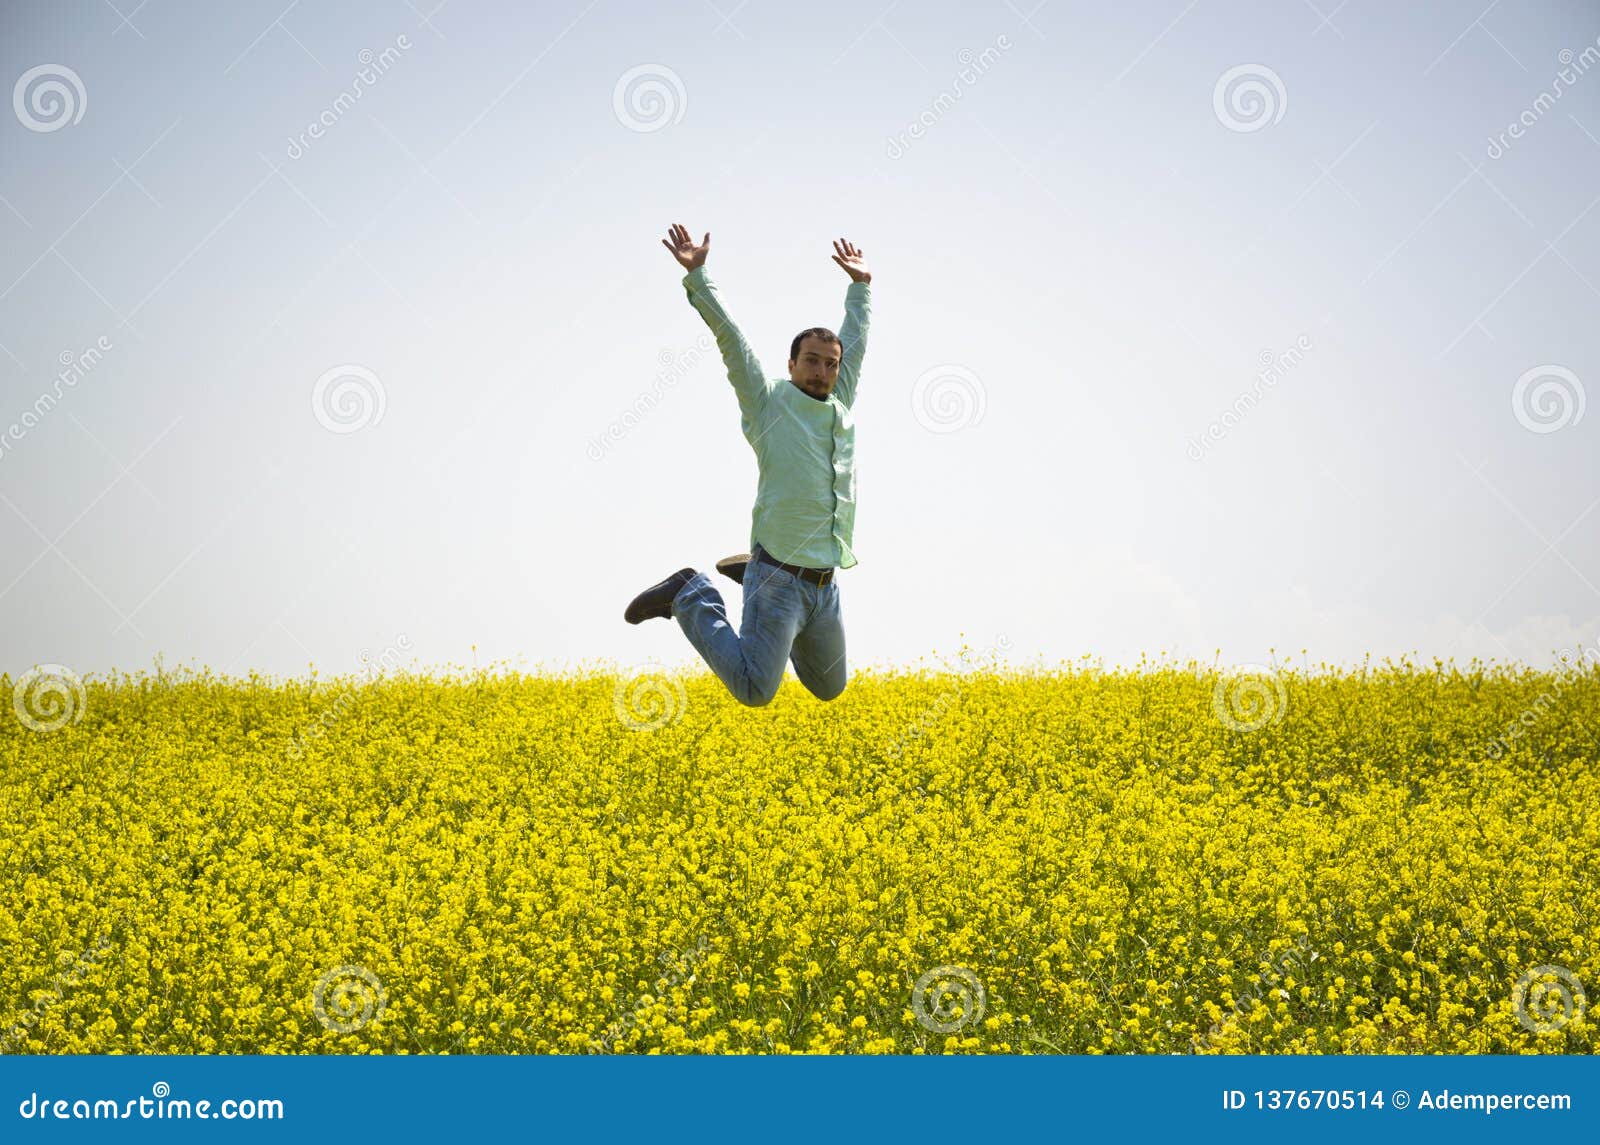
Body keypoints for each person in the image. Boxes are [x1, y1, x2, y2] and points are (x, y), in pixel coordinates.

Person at [624, 222, 873, 707]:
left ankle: (747, 575)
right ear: (791, 364)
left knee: (829, 687)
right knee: (756, 690)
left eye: (830, 364)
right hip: (780, 577)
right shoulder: (768, 404)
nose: (823, 371)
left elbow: (856, 344)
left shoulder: (837, 404)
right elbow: (731, 340)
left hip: (824, 583)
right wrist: (698, 276)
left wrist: (860, 287)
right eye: (812, 361)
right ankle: (689, 593)